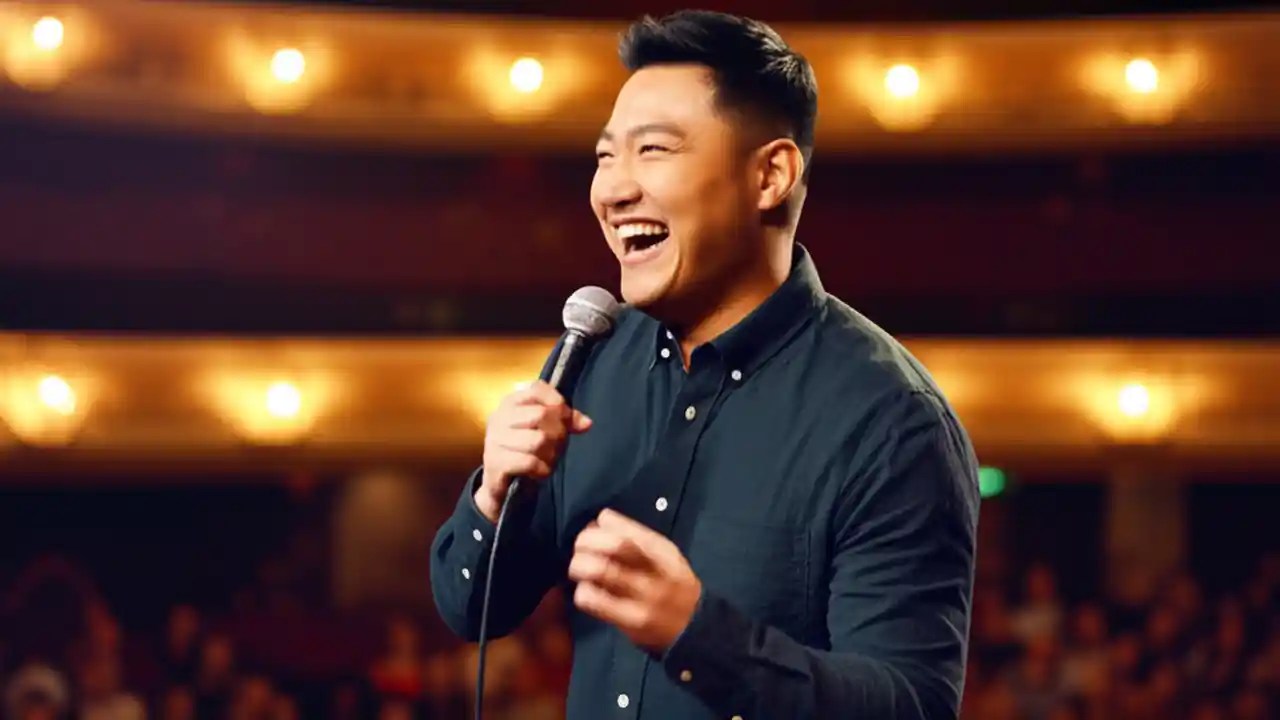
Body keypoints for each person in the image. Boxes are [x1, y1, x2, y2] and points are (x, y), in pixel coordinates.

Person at [430, 9, 980, 720]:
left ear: (771, 175)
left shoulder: (892, 423)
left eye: (653, 150)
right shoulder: (589, 362)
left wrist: (703, 637)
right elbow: (468, 606)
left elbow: (912, 707)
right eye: (604, 156)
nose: (614, 190)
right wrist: (494, 498)